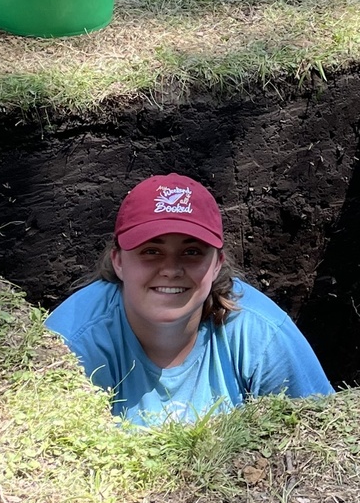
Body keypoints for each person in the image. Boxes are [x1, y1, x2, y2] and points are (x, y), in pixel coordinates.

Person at [47, 174, 333, 427]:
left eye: (192, 251)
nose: (171, 269)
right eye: (151, 251)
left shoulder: (263, 335)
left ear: (217, 263)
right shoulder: (73, 343)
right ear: (118, 261)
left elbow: (321, 436)